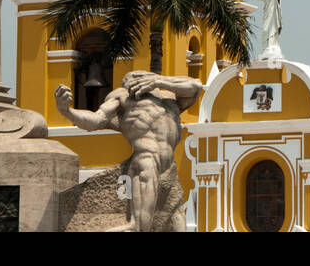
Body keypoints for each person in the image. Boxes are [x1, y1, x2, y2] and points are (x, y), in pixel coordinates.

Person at [55, 71, 204, 232]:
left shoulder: (169, 96)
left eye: (141, 76)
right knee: (142, 223)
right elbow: (96, 120)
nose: (135, 79)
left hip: (169, 170)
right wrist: (67, 111)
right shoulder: (122, 97)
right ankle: (135, 226)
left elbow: (196, 86)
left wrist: (158, 81)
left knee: (178, 223)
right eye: (131, 77)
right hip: (147, 160)